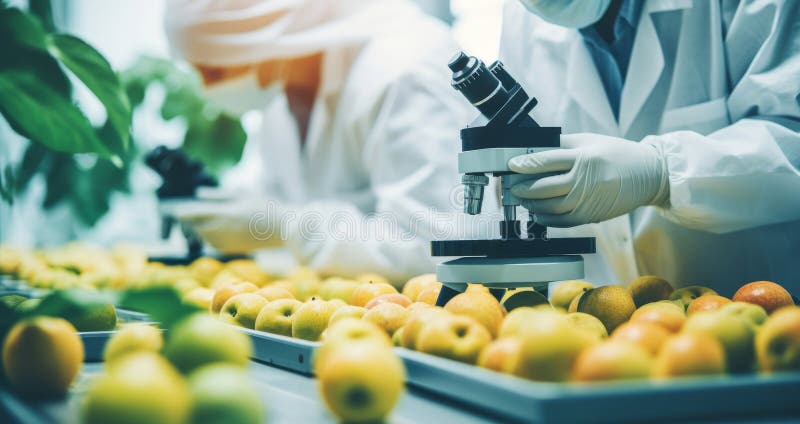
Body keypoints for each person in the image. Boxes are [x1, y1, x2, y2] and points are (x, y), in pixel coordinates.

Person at [161, 0, 482, 283]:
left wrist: (287, 227)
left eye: (214, 71)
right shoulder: (282, 94)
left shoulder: (403, 68)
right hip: (328, 319)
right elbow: (273, 194)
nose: (206, 89)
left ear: (259, 32)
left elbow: (436, 248)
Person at [500, 0, 800, 294]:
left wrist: (661, 172)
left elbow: (791, 136)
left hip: (755, 308)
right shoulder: (521, 20)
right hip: (605, 324)